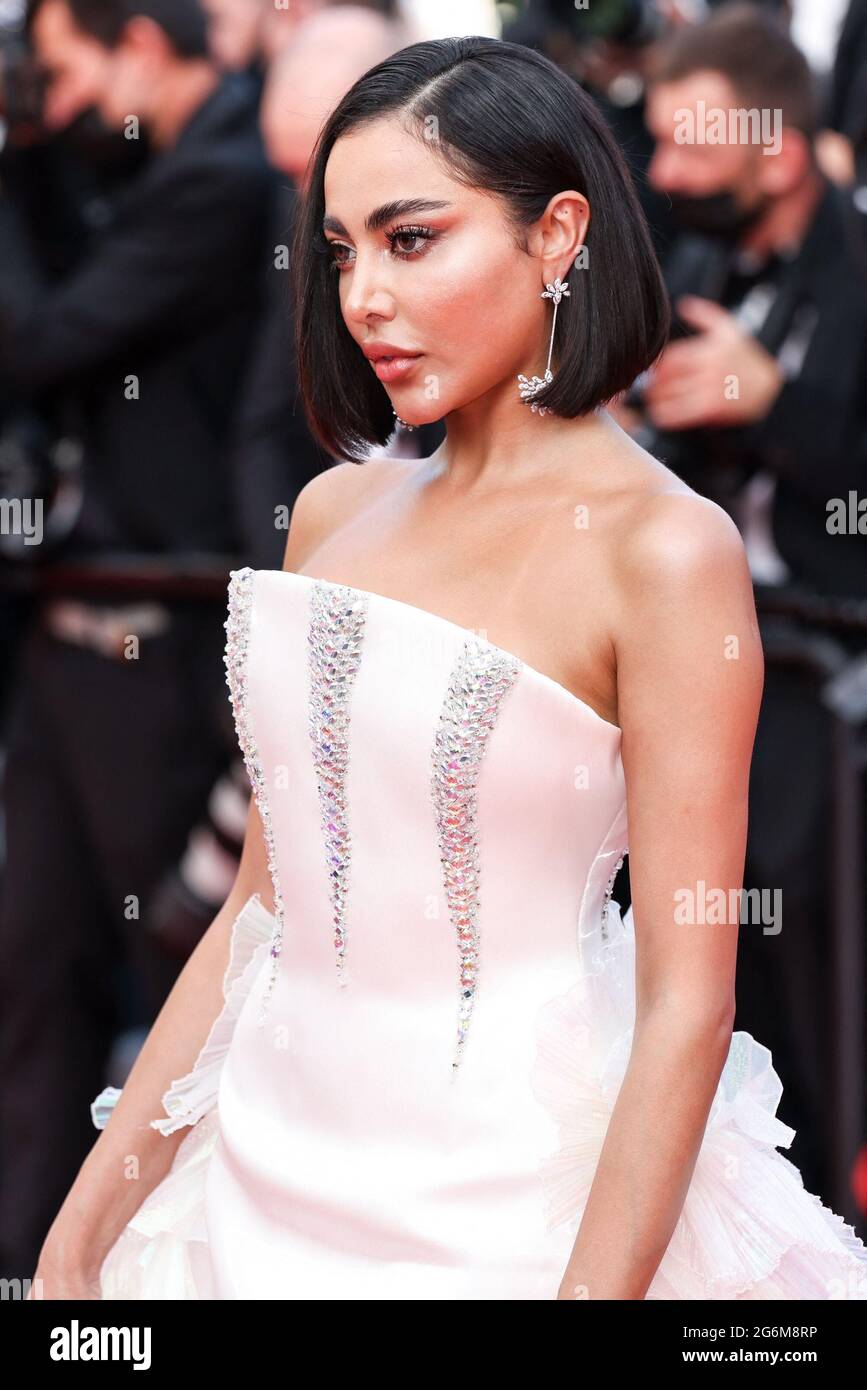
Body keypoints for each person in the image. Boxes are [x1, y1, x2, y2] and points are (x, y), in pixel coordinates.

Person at [33, 35, 867, 1301]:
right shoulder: (328, 514)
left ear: (557, 235)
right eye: (340, 250)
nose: (364, 294)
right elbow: (264, 911)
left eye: (410, 238)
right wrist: (83, 1226)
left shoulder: (666, 551)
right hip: (255, 1175)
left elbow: (689, 1005)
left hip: (525, 1205)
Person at [0, 0, 274, 1282]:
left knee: (182, 986)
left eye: (58, 77)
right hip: (72, 630)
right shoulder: (145, 168)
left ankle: (172, 1266)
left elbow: (42, 337)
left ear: (140, 49)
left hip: (156, 647)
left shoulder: (221, 183)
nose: (47, 106)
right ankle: (35, 1265)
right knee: (31, 964)